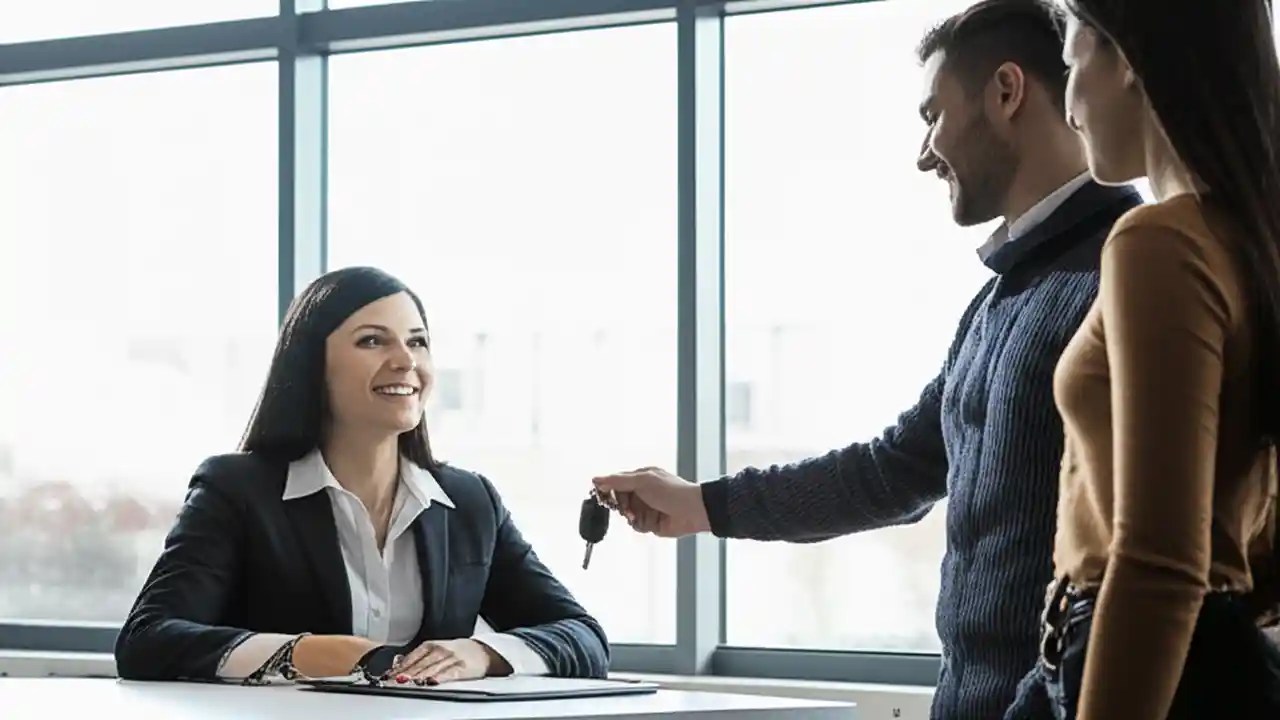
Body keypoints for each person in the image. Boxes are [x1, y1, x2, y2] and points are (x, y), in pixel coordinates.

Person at [590, 2, 1142, 717]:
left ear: (1007, 92)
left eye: (932, 115)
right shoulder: (998, 302)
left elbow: (1141, 559)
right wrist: (701, 505)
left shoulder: (1129, 272)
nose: (924, 152)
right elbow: (893, 470)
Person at [114, 267, 608, 684]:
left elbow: (583, 638)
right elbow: (148, 640)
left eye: (418, 342)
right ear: (312, 365)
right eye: (373, 340)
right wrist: (308, 654)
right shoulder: (237, 490)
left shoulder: (470, 502)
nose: (406, 361)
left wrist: (481, 654)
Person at [1002, 2, 1280, 718]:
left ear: (1126, 58)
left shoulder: (1157, 242)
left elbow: (1160, 559)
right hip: (1196, 656)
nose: (1068, 108)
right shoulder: (1248, 241)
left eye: (1070, 65)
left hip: (1151, 660)